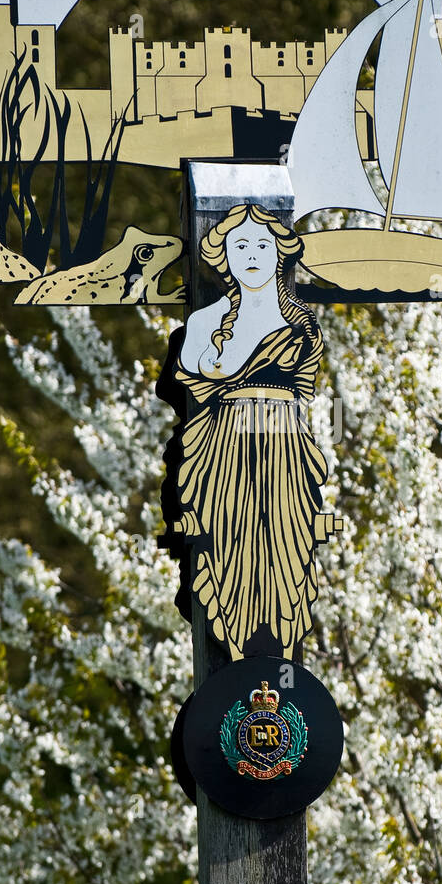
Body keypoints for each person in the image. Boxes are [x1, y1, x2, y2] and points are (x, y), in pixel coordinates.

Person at [169, 203, 328, 660]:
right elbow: (196, 392)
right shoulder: (203, 324)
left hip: (283, 450)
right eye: (240, 245)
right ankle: (234, 641)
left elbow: (303, 395)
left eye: (263, 244)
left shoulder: (302, 326)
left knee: (282, 547)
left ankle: (272, 643)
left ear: (280, 251)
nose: (252, 254)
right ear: (224, 256)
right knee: (227, 546)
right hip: (223, 450)